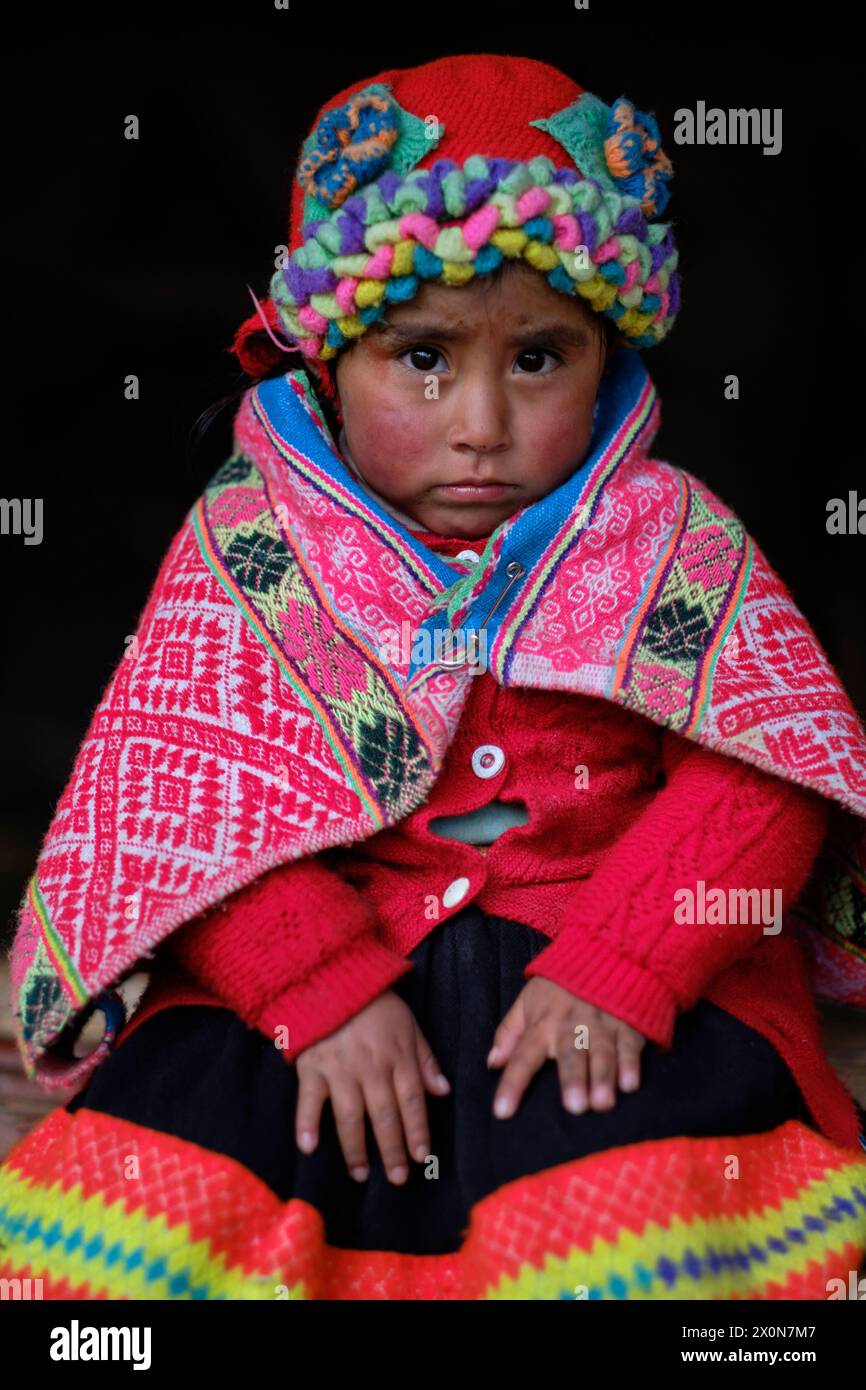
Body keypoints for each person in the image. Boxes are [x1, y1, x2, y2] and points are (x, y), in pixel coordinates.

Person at [2, 53, 865, 1302]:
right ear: (325, 359)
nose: (478, 424)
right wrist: (315, 990)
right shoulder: (253, 547)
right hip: (327, 991)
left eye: (536, 359)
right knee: (162, 1215)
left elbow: (763, 778)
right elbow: (180, 809)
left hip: (604, 987)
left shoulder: (669, 537)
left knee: (629, 1211)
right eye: (420, 357)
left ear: (605, 354)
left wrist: (622, 968)